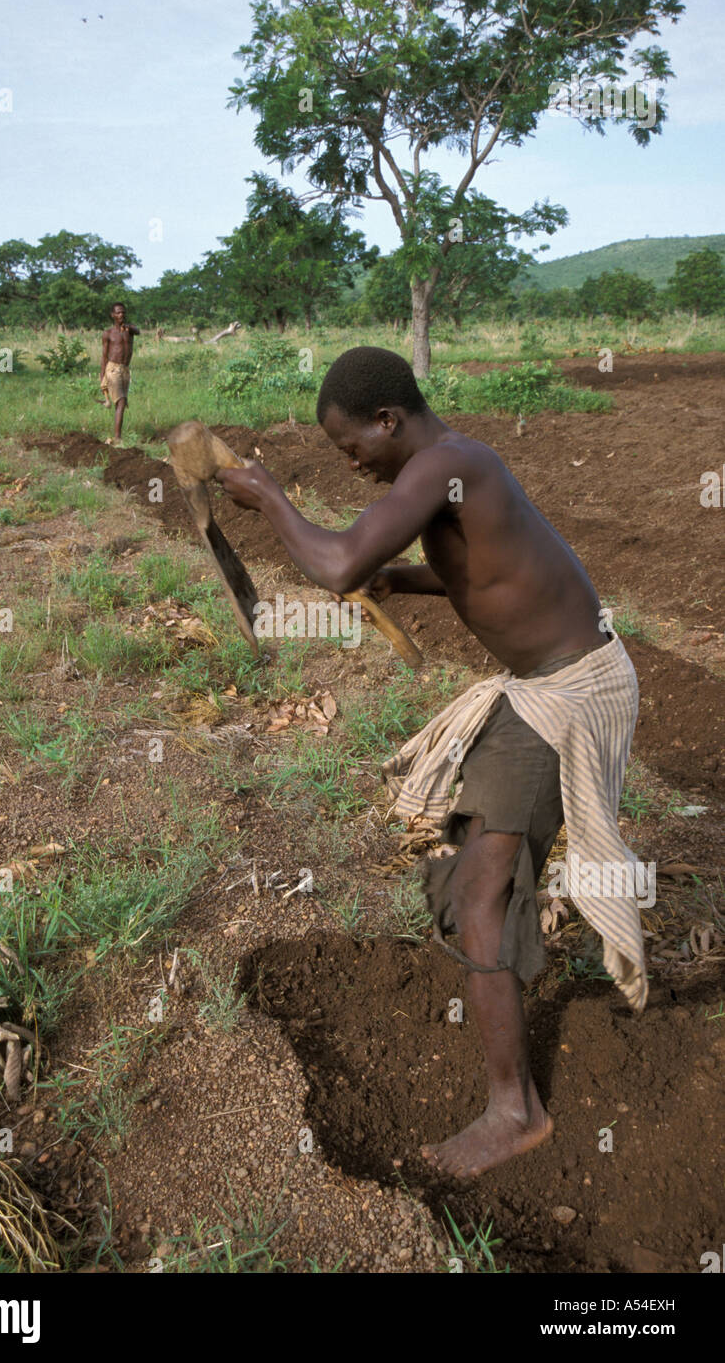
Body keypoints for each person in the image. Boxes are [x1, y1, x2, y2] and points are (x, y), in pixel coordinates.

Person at [216, 345, 646, 1179]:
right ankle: (510, 1040)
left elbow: (338, 561)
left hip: (569, 692)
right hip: (547, 683)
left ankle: (513, 1111)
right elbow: (484, 573)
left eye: (353, 450)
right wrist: (401, 583)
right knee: (477, 869)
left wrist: (271, 497)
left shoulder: (448, 464)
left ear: (389, 420)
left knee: (480, 888)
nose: (355, 466)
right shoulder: (459, 468)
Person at [100, 302, 140, 442]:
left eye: (123, 312)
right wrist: (102, 378)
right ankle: (117, 437)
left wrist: (129, 327)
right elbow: (104, 356)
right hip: (113, 369)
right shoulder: (108, 334)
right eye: (118, 312)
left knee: (120, 403)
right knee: (121, 401)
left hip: (125, 370)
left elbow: (138, 331)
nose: (121, 314)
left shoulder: (129, 331)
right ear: (112, 315)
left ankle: (117, 435)